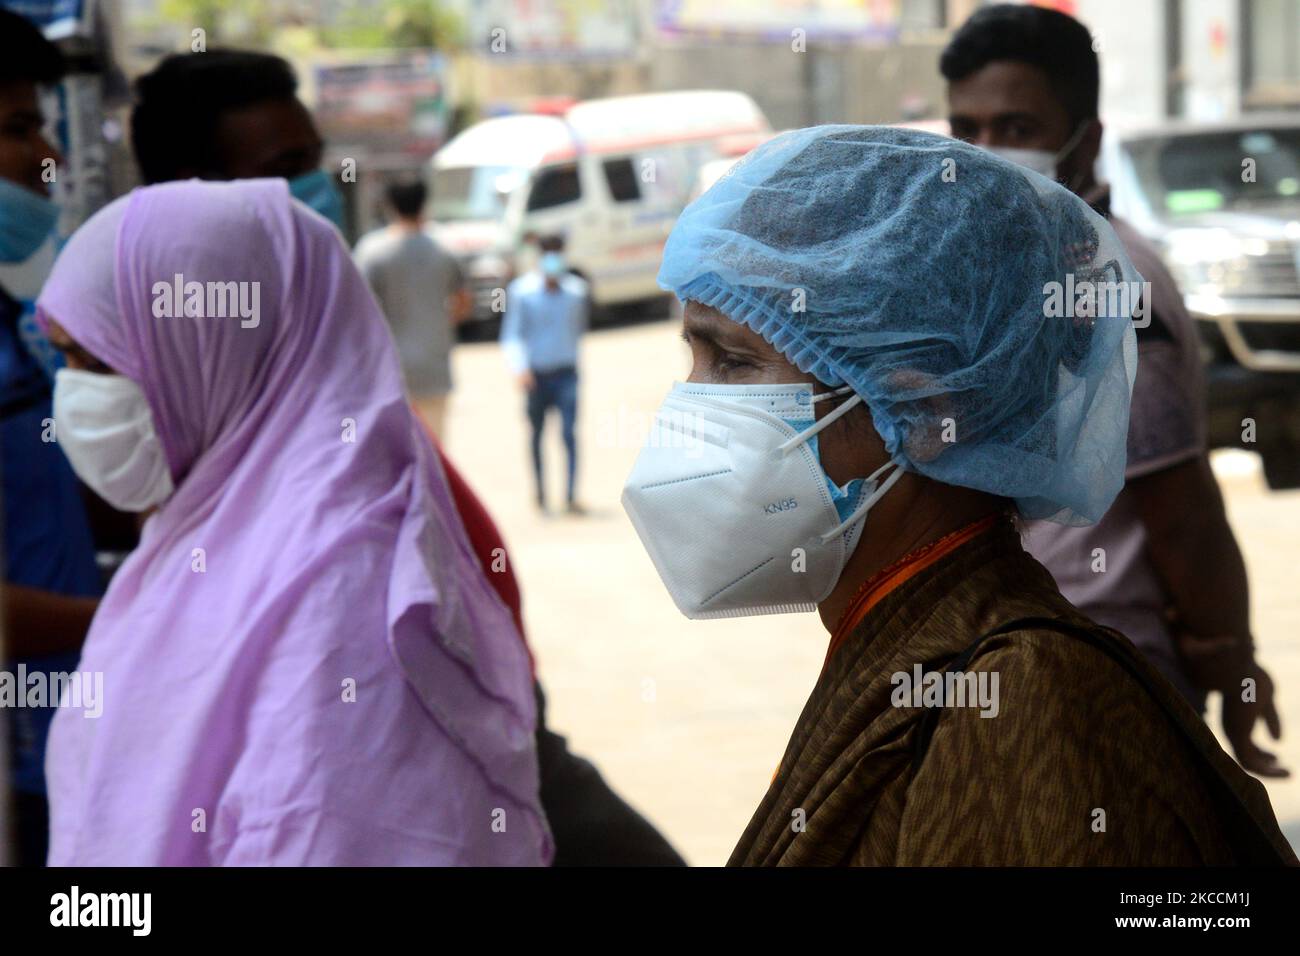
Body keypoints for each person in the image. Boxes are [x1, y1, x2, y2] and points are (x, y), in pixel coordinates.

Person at [622, 125, 1296, 865]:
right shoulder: (901, 644)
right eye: (695, 355)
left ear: (926, 414)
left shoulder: (1015, 704)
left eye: (734, 362)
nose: (691, 407)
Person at [129, 49, 683, 866]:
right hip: (412, 728)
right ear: (196, 195)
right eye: (288, 170)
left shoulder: (317, 324)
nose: (317, 191)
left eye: (317, 163)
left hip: (484, 707)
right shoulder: (191, 377)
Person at [36, 178, 551, 865]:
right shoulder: (199, 532)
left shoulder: (343, 594)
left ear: (210, 346)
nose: (72, 393)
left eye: (96, 361)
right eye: (64, 357)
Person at [941, 3, 1287, 778]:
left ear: (1084, 140)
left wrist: (1228, 660)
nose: (986, 153)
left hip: (1100, 674)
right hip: (994, 665)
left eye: (1017, 128)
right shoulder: (989, 271)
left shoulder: (1109, 286)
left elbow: (1184, 512)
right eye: (967, 130)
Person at [0, 9, 101, 867]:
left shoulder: (14, 323)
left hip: (60, 755)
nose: (49, 159)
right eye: (17, 129)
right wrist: (133, 621)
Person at [354, 178, 469, 440]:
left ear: (390, 205)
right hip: (434, 366)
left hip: (387, 370)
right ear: (424, 204)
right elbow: (463, 301)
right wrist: (440, 324)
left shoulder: (371, 252)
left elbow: (359, 310)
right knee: (435, 452)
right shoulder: (443, 250)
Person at [501, 234, 588, 514]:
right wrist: (520, 368)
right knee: (536, 434)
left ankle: (571, 495)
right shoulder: (521, 292)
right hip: (535, 376)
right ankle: (540, 494)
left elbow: (578, 330)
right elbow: (512, 335)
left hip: (566, 373)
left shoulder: (577, 292)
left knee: (568, 434)